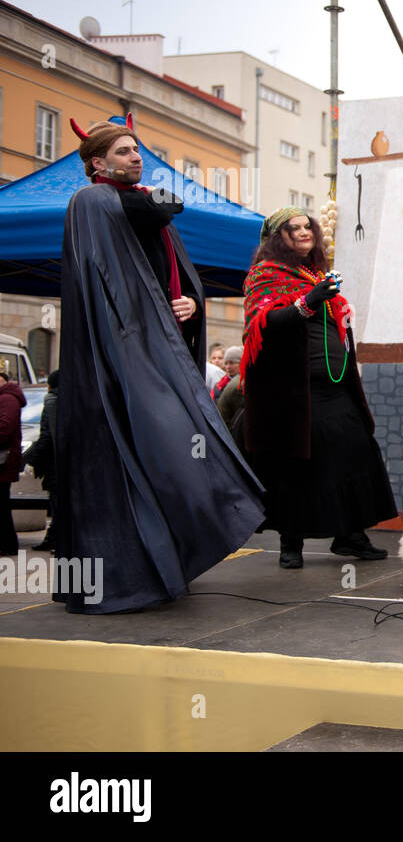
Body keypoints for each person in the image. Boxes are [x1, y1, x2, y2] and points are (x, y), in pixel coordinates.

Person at [56, 117, 264, 612]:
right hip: (118, 363)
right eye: (124, 151)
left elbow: (170, 270)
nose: (136, 157)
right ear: (97, 163)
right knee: (133, 452)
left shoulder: (141, 208)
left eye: (136, 149)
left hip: (150, 353)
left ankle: (163, 565)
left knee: (170, 452)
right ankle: (123, 578)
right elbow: (110, 285)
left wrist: (188, 303)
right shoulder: (92, 203)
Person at [242, 207, 395, 569]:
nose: (303, 232)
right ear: (277, 238)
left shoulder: (315, 275)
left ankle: (349, 535)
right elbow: (266, 322)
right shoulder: (264, 274)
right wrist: (307, 302)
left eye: (307, 226)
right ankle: (290, 542)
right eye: (292, 228)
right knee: (298, 456)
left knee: (355, 448)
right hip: (292, 386)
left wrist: (337, 311)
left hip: (336, 382)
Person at [22, 369, 58, 553]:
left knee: (57, 502)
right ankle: (54, 539)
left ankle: (55, 540)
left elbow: (46, 437)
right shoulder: (72, 400)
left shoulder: (51, 402)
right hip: (65, 462)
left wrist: (33, 460)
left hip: (56, 463)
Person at [0, 371, 24, 557]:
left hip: (3, 463)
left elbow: (4, 428)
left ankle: (7, 545)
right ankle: (7, 544)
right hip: (4, 462)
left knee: (2, 506)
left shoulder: (7, 399)